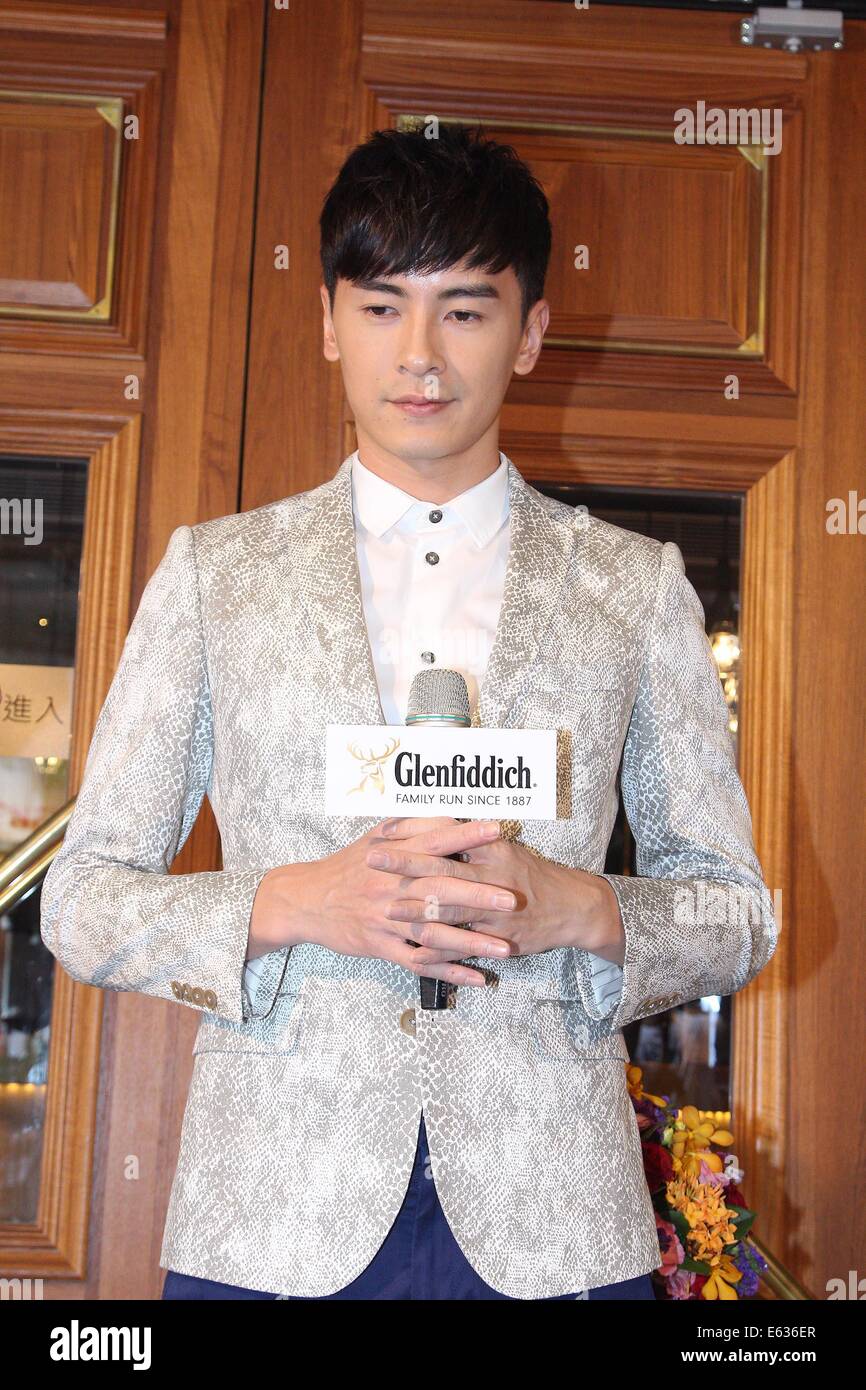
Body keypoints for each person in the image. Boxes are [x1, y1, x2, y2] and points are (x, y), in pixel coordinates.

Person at [40, 124, 778, 1301]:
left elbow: (734, 913)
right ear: (328, 319)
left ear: (531, 332)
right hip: (274, 1210)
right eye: (381, 307)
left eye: (466, 310)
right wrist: (292, 901)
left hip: (552, 1220)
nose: (419, 355)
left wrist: (579, 907)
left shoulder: (631, 587)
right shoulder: (216, 575)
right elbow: (81, 900)